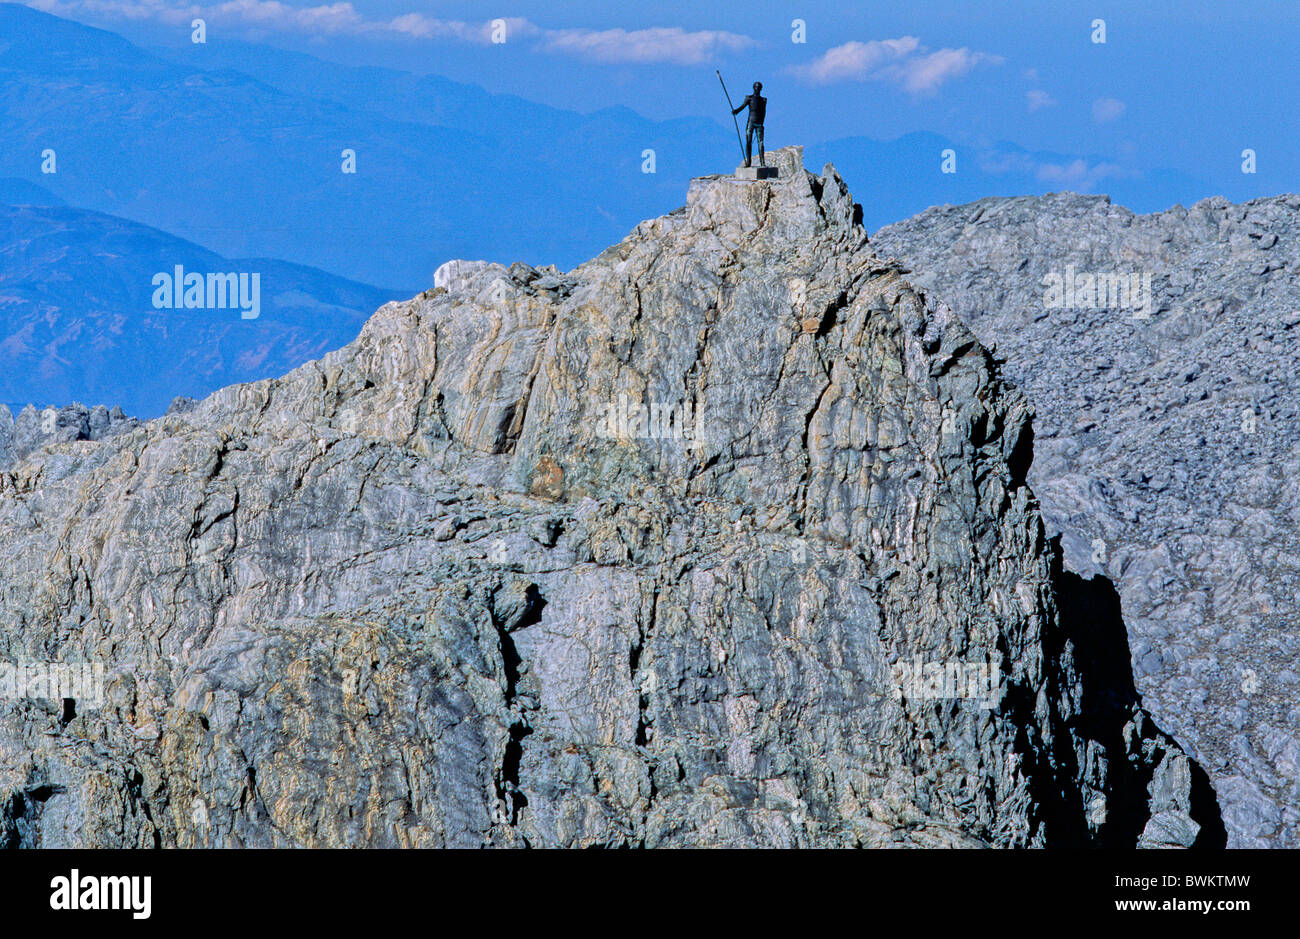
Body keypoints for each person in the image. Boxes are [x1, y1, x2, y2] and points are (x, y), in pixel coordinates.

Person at [731, 81, 767, 168]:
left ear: (760, 89)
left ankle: (762, 163)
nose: (757, 89)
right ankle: (748, 162)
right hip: (750, 122)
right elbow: (743, 106)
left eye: (759, 87)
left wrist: (762, 122)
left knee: (761, 143)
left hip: (759, 123)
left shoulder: (763, 100)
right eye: (756, 87)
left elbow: (764, 112)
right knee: (748, 142)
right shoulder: (749, 98)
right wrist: (736, 111)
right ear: (753, 88)